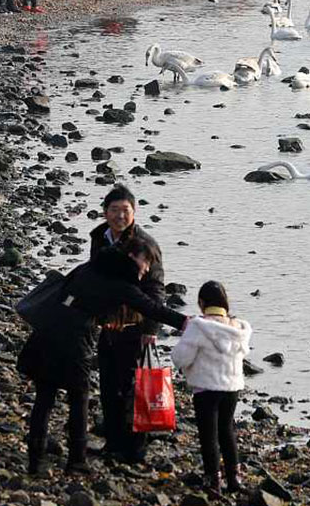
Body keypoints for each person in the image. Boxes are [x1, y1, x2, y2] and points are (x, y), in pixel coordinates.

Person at [17, 236, 186, 475]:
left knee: (44, 396)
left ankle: (35, 460)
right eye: (145, 261)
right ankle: (76, 461)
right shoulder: (120, 284)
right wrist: (187, 322)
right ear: (130, 257)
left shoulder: (91, 266)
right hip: (75, 339)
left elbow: (67, 288)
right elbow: (153, 309)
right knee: (79, 397)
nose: (147, 269)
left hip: (47, 329)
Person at [89, 186, 168, 464]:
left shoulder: (145, 245)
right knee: (109, 387)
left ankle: (135, 450)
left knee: (135, 390)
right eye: (114, 210)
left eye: (126, 210)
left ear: (134, 213)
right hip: (107, 325)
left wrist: (151, 330)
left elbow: (156, 289)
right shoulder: (100, 237)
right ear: (105, 211)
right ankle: (113, 442)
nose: (120, 216)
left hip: (134, 326)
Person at [172, 281, 252, 498]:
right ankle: (234, 478)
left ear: (202, 303)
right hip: (232, 387)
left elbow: (180, 357)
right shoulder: (239, 328)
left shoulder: (199, 326)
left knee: (208, 435)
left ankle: (213, 479)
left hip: (206, 387)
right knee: (227, 431)